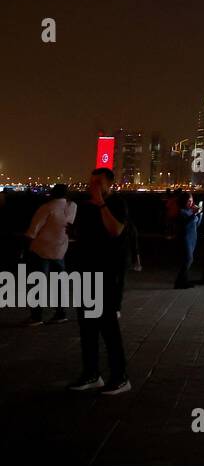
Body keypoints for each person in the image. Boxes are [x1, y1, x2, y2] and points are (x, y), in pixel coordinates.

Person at [67, 168, 131, 395]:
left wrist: (101, 204)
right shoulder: (84, 206)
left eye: (98, 182)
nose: (92, 185)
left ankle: (120, 377)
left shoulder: (117, 204)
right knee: (87, 328)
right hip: (86, 272)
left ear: (109, 184)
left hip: (108, 275)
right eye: (91, 181)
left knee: (109, 328)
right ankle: (91, 374)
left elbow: (116, 231)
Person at [23, 183, 77, 325]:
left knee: (38, 283)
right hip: (60, 250)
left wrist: (24, 247)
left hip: (41, 249)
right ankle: (60, 313)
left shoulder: (47, 208)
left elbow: (33, 230)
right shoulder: (72, 207)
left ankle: (36, 316)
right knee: (59, 283)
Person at [174, 193, 203, 289]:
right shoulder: (182, 212)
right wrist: (194, 214)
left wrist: (200, 214)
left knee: (188, 260)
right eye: (189, 201)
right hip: (185, 238)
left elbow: (196, 224)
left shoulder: (190, 212)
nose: (191, 203)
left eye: (191, 201)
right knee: (188, 259)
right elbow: (186, 224)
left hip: (192, 238)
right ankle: (179, 282)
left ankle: (184, 281)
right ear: (184, 202)